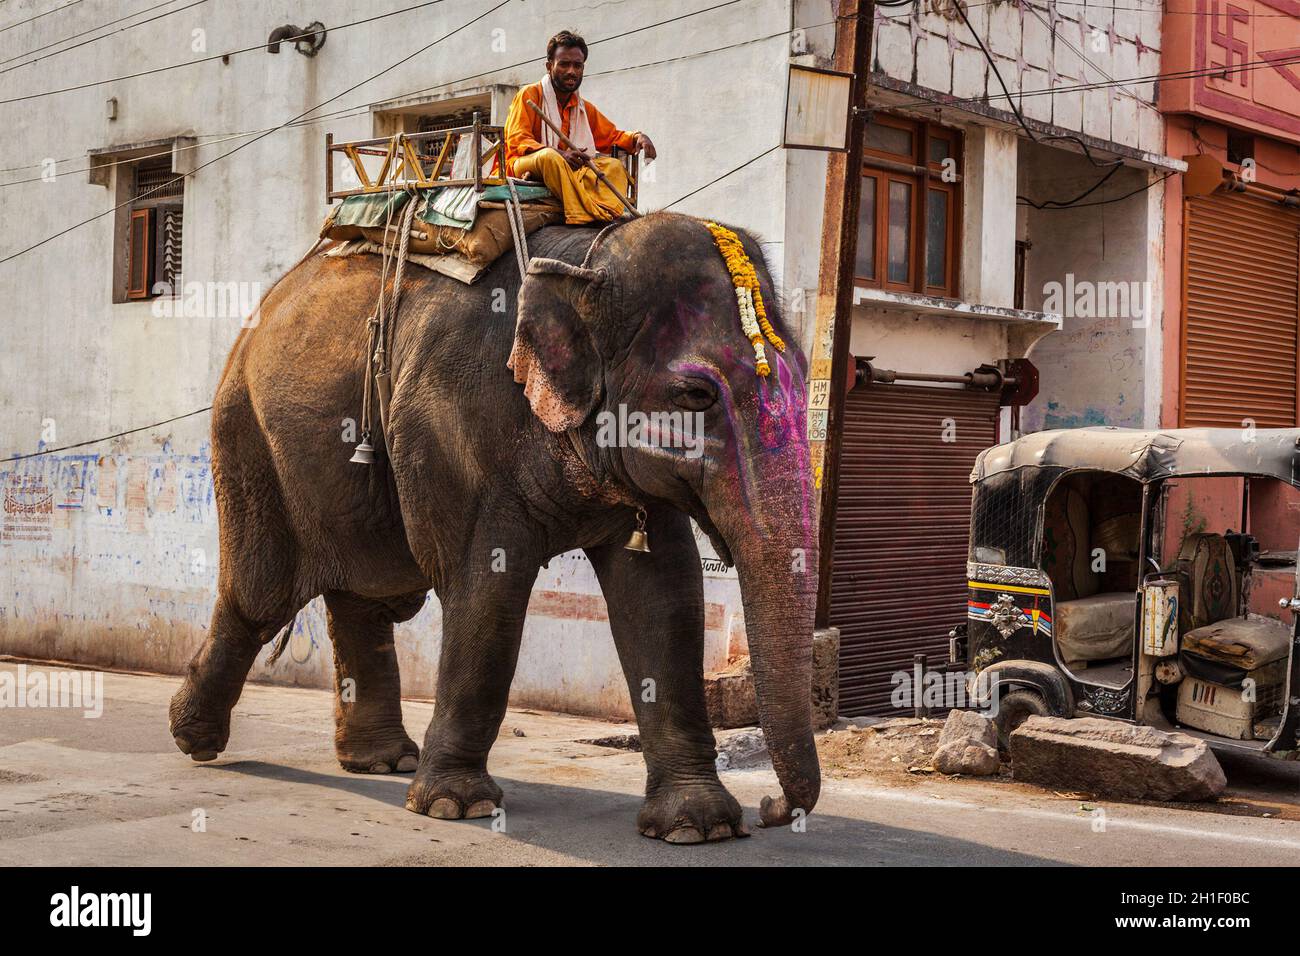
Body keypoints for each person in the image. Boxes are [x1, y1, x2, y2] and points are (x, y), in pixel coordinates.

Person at [503, 29, 656, 224]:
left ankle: (606, 212)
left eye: (577, 65)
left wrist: (637, 137)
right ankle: (581, 214)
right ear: (549, 66)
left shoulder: (583, 108)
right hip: (526, 165)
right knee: (549, 157)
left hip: (569, 170)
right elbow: (517, 141)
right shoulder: (529, 95)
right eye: (564, 64)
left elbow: (611, 137)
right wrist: (560, 153)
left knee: (614, 166)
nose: (571, 71)